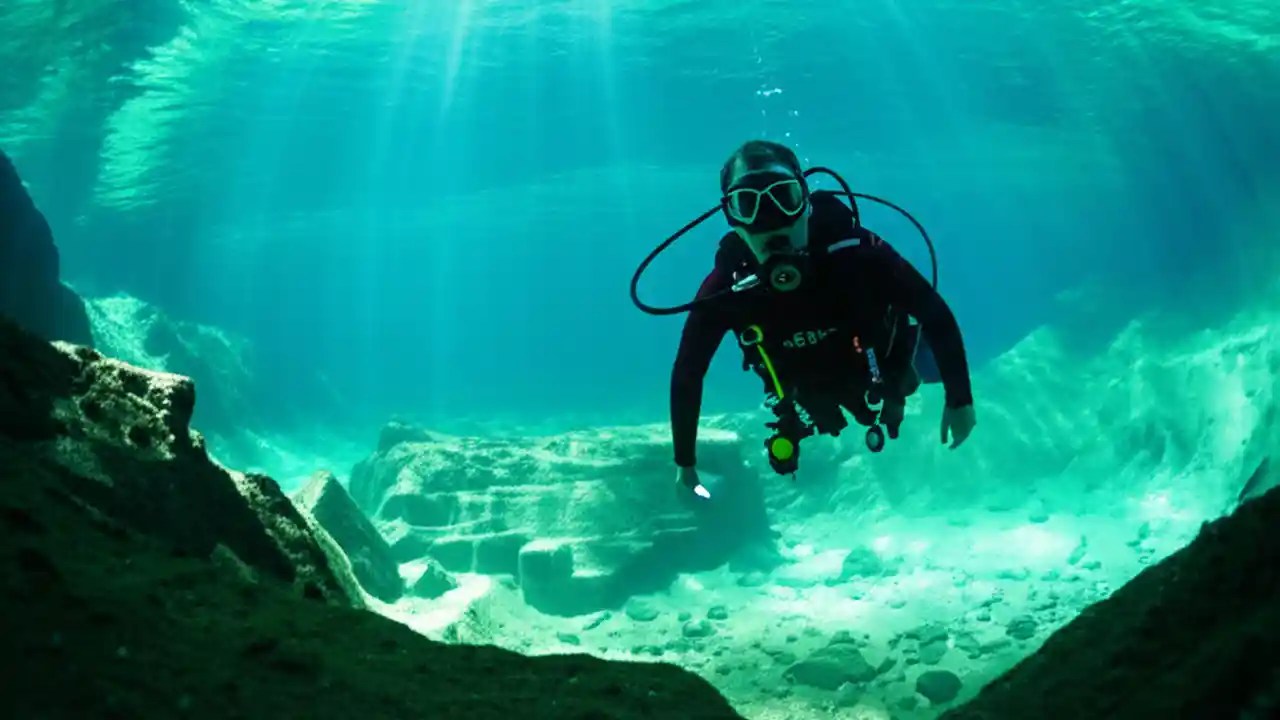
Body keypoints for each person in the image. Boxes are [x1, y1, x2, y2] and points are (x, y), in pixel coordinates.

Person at [656, 140, 977, 497]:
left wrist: (959, 398)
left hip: (887, 364)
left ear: (805, 201)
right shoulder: (727, 289)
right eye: (748, 203)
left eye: (784, 197)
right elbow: (689, 369)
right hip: (804, 393)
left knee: (922, 366)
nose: (769, 220)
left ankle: (910, 375)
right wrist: (684, 459)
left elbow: (935, 313)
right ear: (732, 217)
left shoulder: (860, 255)